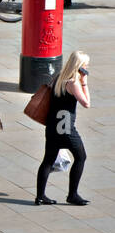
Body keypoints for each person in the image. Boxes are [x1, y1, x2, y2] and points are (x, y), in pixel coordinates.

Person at [35, 50, 91, 207]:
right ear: (79, 66)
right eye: (86, 65)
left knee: (48, 160)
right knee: (81, 157)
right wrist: (84, 81)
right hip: (66, 129)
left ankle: (40, 196)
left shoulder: (59, 77)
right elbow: (86, 103)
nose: (87, 68)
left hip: (52, 128)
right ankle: (72, 194)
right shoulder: (73, 82)